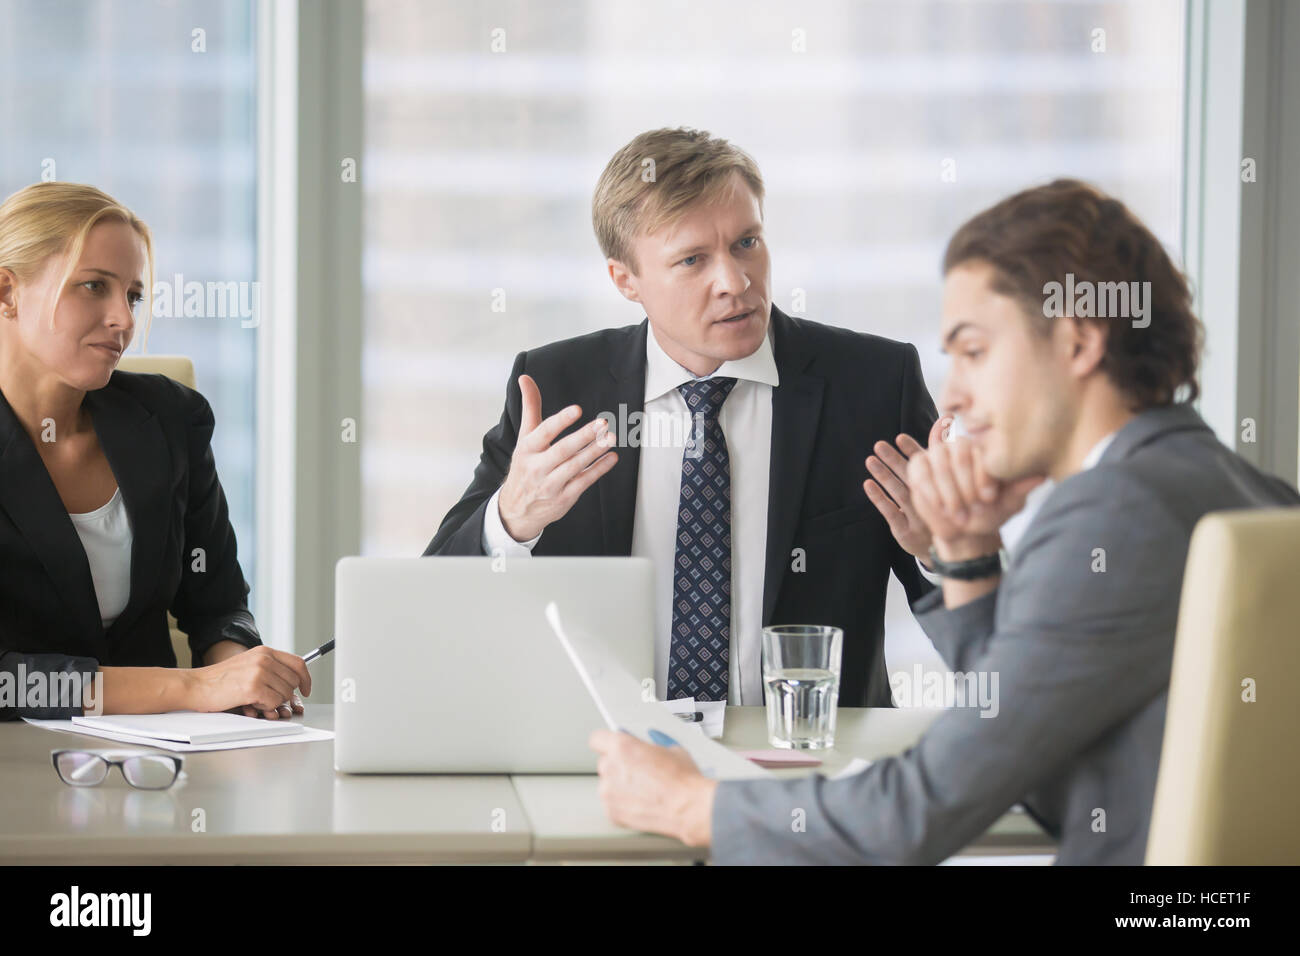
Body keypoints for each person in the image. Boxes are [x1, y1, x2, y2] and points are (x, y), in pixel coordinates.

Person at [588, 178, 1300, 864]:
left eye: (974, 351)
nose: (954, 397)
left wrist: (689, 805)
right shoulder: (1250, 492)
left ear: (1078, 343)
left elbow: (917, 813)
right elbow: (1035, 764)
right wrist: (965, 559)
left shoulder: (1113, 515)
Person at [424, 127, 940, 707]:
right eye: (693, 259)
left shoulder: (871, 384)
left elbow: (982, 640)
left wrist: (944, 550)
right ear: (626, 280)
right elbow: (435, 611)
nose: (735, 282)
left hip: (811, 771)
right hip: (604, 767)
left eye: (746, 243)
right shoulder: (559, 389)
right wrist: (511, 520)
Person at [0, 182, 311, 721]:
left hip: (162, 763)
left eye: (134, 295)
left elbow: (217, 604)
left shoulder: (171, 419)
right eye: (94, 286)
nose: (124, 318)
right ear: (6, 292)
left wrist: (239, 678)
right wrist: (195, 688)